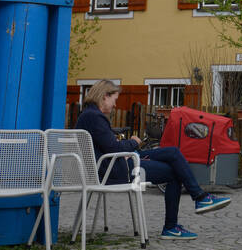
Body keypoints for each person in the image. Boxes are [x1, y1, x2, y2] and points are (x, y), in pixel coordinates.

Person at [76, 80, 231, 241]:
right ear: (104, 97)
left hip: (113, 165)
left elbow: (107, 146)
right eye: (115, 100)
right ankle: (182, 216)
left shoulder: (87, 115)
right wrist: (133, 142)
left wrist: (127, 148)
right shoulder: (95, 117)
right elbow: (114, 147)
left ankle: (199, 198)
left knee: (173, 152)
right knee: (174, 172)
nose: (115, 105)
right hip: (116, 170)